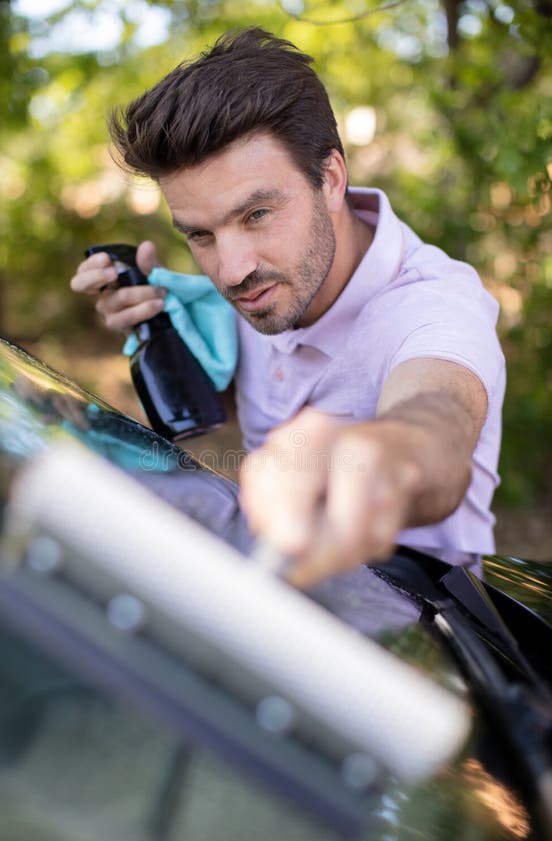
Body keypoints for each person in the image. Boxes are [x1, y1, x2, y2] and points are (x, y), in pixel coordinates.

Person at [70, 28, 505, 586]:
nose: (232, 271)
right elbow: (242, 402)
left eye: (256, 215)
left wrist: (369, 456)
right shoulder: (266, 286)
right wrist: (161, 335)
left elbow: (437, 428)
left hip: (416, 625)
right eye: (200, 234)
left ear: (331, 179)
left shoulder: (437, 308)